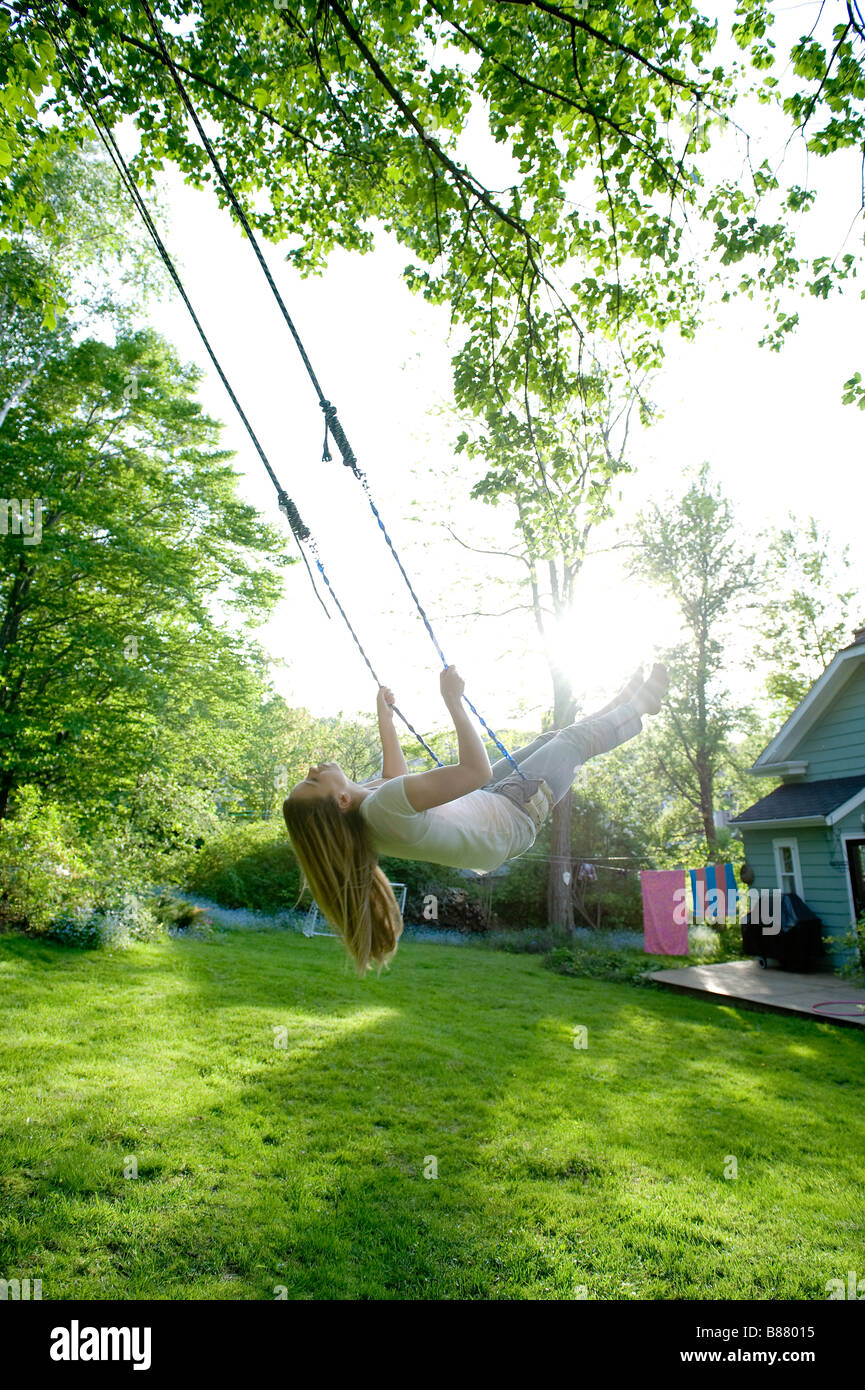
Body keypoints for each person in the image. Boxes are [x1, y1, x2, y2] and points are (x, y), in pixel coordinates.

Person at [283, 663, 668, 976]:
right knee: (571, 744)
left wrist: (385, 717)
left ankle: (625, 703)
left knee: (555, 738)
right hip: (510, 818)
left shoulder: (370, 814)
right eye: (314, 780)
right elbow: (475, 770)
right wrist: (453, 701)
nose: (315, 767)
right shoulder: (380, 808)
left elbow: (394, 778)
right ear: (342, 801)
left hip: (489, 808)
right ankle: (640, 705)